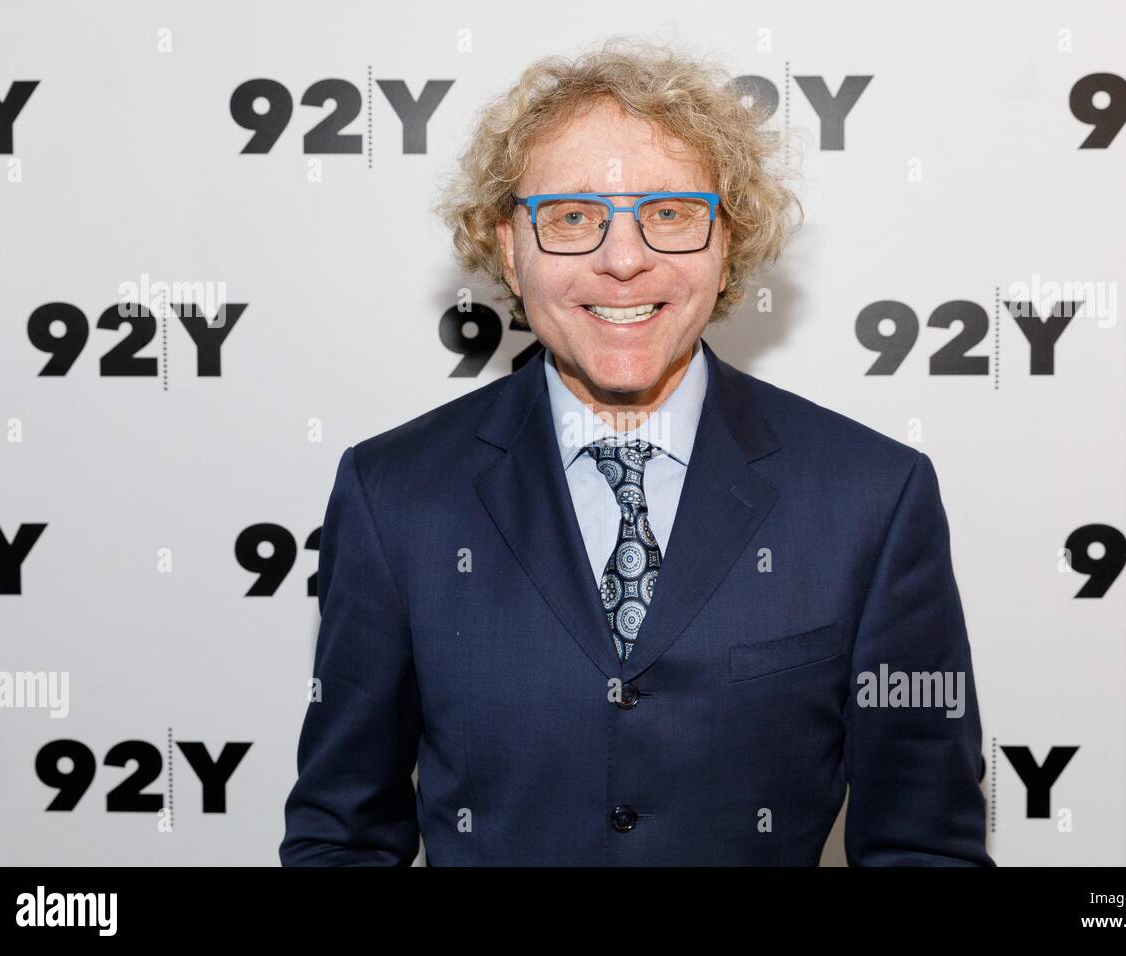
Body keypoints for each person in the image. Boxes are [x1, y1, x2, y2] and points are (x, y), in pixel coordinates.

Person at [280, 37, 994, 866]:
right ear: (509, 249)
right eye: (575, 218)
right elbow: (342, 836)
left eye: (671, 213)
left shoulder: (871, 496)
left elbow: (924, 846)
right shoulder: (393, 494)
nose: (625, 259)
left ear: (728, 240)